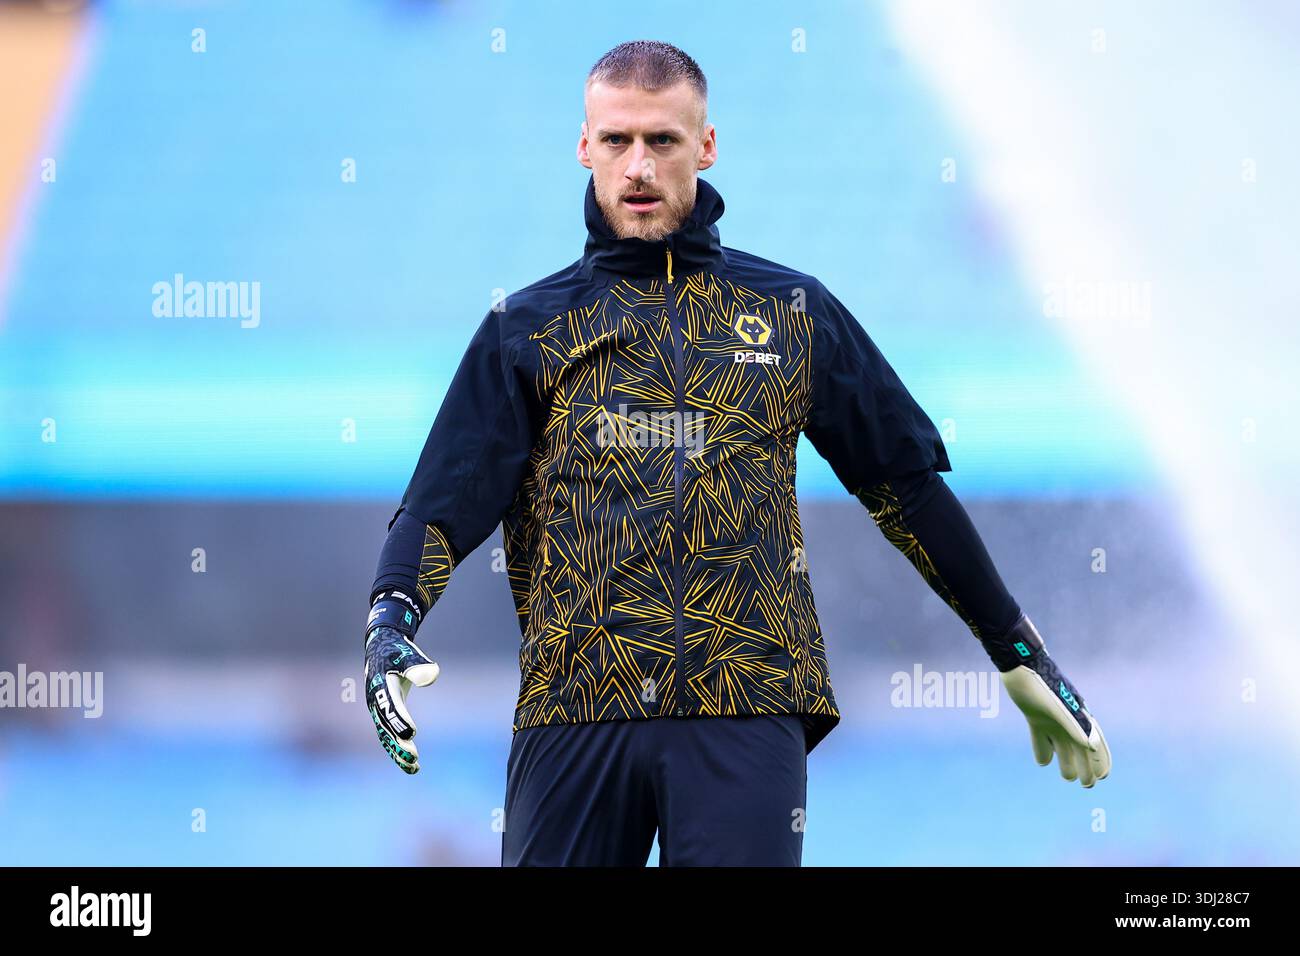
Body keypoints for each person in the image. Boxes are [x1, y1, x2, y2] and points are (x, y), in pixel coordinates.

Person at [362, 39, 1111, 867]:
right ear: (585, 148)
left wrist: (1014, 645)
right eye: (616, 141)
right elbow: (442, 503)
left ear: (705, 146)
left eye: (662, 141)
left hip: (747, 699)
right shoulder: (525, 328)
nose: (637, 166)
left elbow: (904, 489)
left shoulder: (792, 310)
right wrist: (390, 620)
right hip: (576, 702)